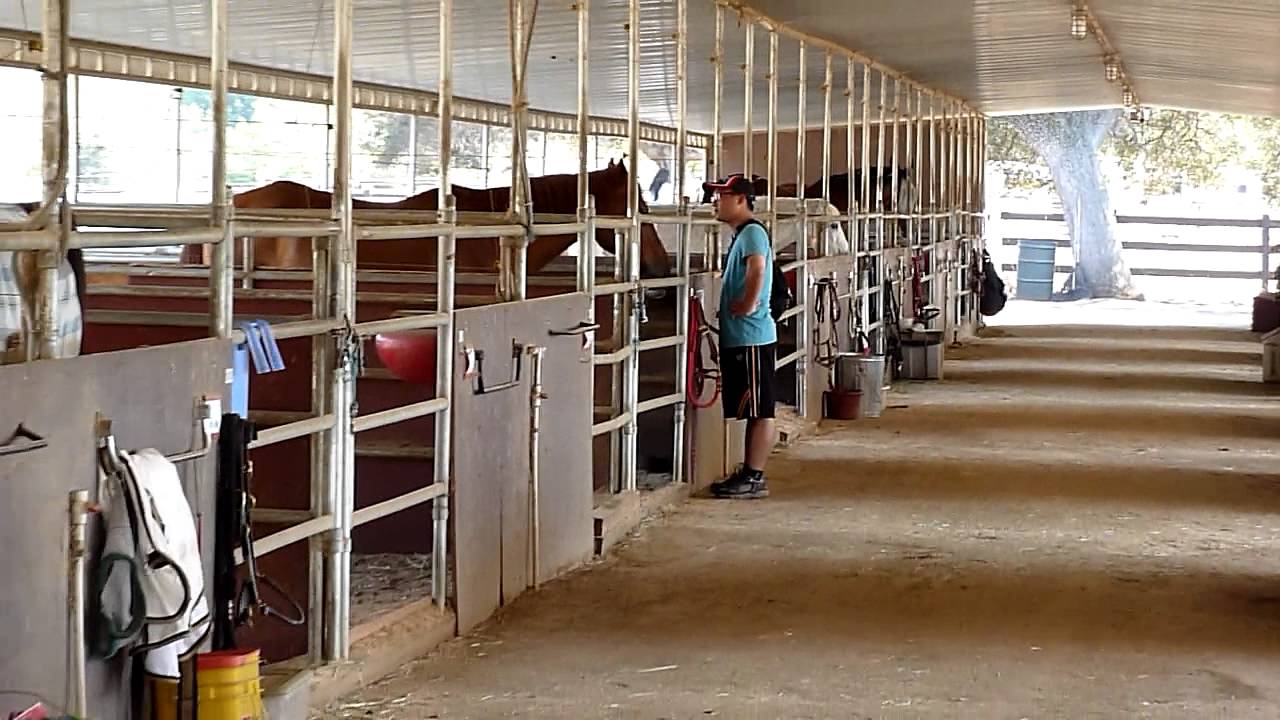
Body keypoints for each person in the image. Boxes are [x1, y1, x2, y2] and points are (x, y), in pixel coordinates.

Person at [702, 174, 777, 500]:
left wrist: (748, 303)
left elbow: (757, 268)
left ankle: (754, 476)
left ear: (740, 199)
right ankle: (749, 472)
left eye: (721, 196)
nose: (715, 202)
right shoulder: (743, 234)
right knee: (755, 408)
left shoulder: (752, 233)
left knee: (760, 409)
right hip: (745, 336)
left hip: (752, 335)